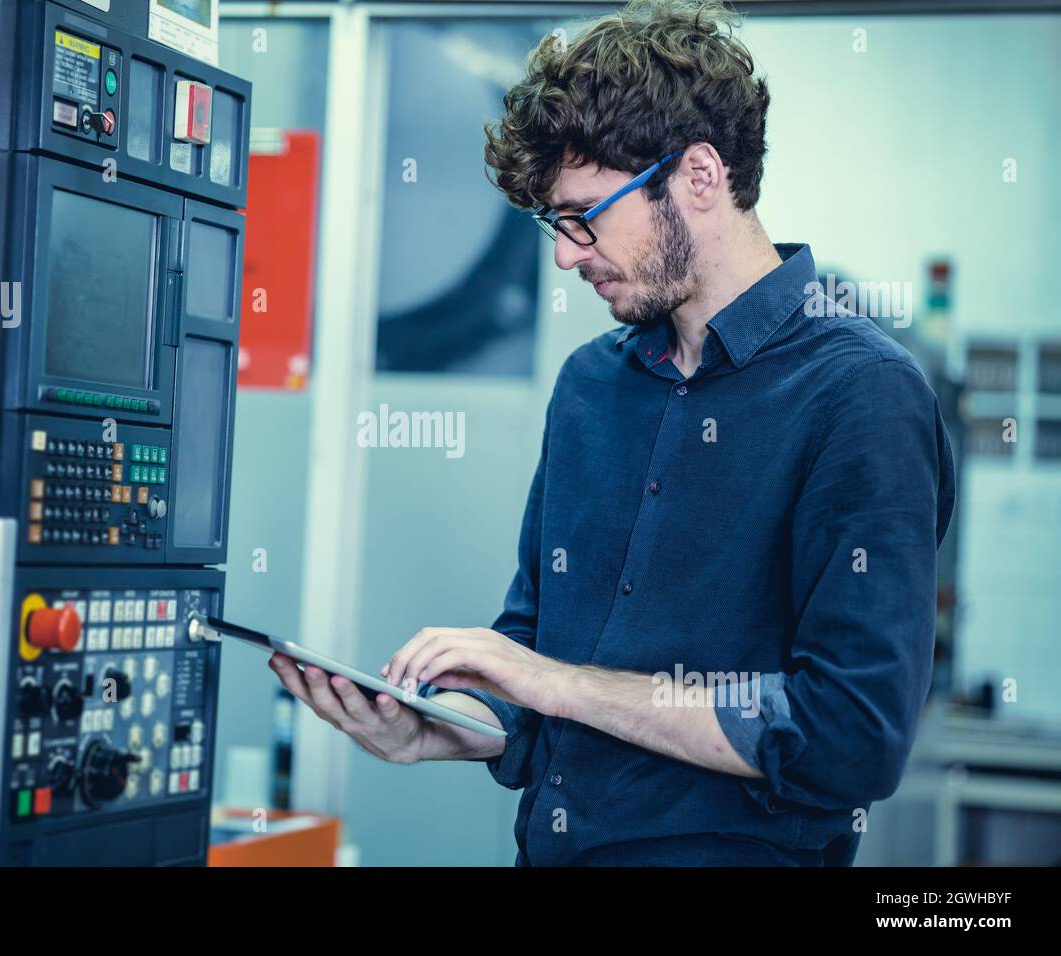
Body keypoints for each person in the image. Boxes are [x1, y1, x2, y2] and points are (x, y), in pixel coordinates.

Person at [269, 0, 956, 866]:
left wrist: (557, 685)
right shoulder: (592, 386)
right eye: (556, 221)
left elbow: (850, 735)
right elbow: (534, 651)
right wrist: (446, 727)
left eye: (586, 213)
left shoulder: (861, 395)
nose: (566, 254)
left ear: (700, 176)